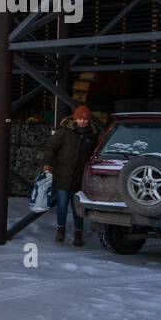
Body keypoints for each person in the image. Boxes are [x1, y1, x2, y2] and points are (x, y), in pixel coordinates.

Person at [42, 104, 101, 247]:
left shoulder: (92, 135)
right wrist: (47, 164)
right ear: (75, 119)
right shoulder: (64, 133)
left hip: (81, 178)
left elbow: (96, 154)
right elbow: (50, 148)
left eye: (85, 119)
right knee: (62, 205)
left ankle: (78, 234)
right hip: (63, 175)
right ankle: (60, 230)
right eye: (80, 119)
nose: (82, 121)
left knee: (78, 207)